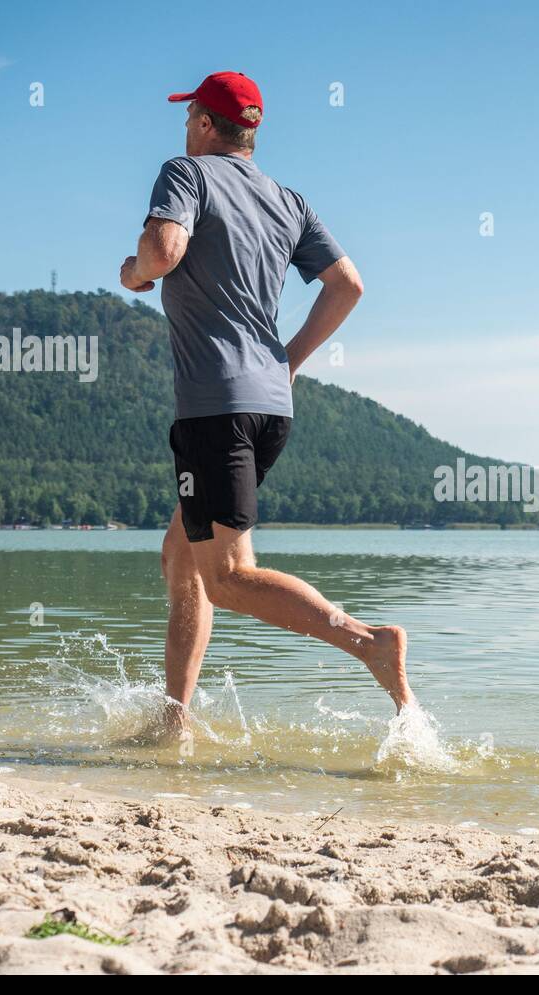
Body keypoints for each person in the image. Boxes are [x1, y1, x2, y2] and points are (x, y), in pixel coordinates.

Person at [118, 71, 414, 736]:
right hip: (270, 407)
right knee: (182, 555)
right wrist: (289, 360)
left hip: (214, 409)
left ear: (200, 122)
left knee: (225, 575)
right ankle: (175, 720)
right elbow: (349, 285)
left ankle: (369, 642)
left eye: (187, 115)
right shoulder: (287, 200)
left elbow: (163, 251)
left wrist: (133, 272)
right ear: (252, 131)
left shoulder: (186, 174)